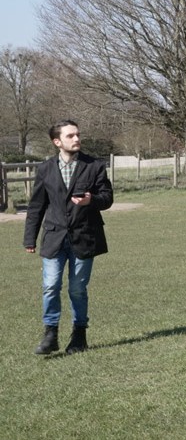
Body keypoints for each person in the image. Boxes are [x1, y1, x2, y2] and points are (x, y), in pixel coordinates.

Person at [23, 120, 113, 355]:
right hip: (54, 238)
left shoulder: (94, 166)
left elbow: (107, 198)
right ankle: (50, 334)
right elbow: (36, 207)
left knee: (77, 289)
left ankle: (79, 335)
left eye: (77, 135)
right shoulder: (45, 169)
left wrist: (91, 200)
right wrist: (29, 239)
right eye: (70, 136)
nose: (76, 139)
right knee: (50, 286)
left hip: (84, 237)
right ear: (57, 141)